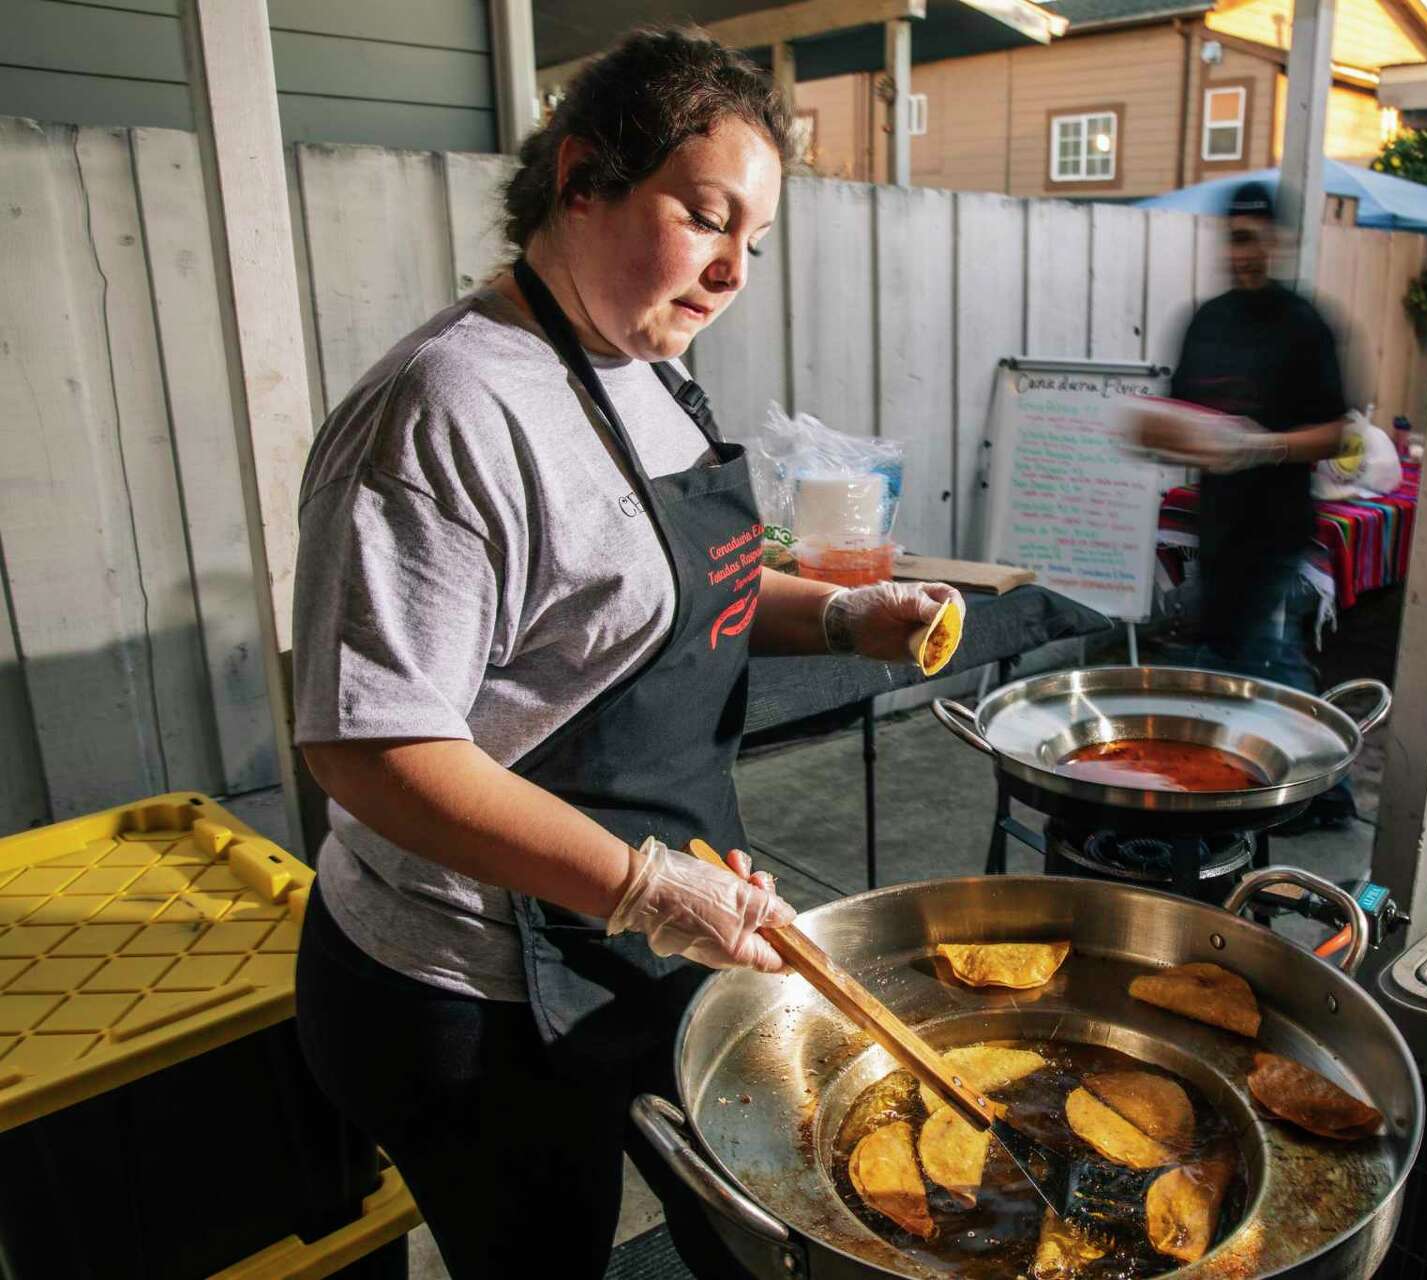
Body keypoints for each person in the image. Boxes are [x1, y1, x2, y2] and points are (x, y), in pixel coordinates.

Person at [289, 29, 960, 1279]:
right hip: (476, 991)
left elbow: (657, 589)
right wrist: (648, 889)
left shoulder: (643, 364)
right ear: (584, 177)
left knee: (755, 1230)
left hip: (642, 926)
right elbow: (369, 747)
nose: (733, 270)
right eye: (707, 218)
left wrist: (840, 615)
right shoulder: (443, 410)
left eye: (755, 239)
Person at [1134, 180, 1353, 828]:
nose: (1244, 253)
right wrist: (1158, 431)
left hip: (1276, 528)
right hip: (1217, 527)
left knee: (1260, 658)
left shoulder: (1304, 324)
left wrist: (1264, 446)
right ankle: (1281, 789)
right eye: (1235, 239)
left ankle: (1311, 792)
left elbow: (1335, 433)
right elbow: (1179, 415)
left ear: (1279, 242)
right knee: (1237, 657)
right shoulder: (1206, 321)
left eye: (1255, 239)